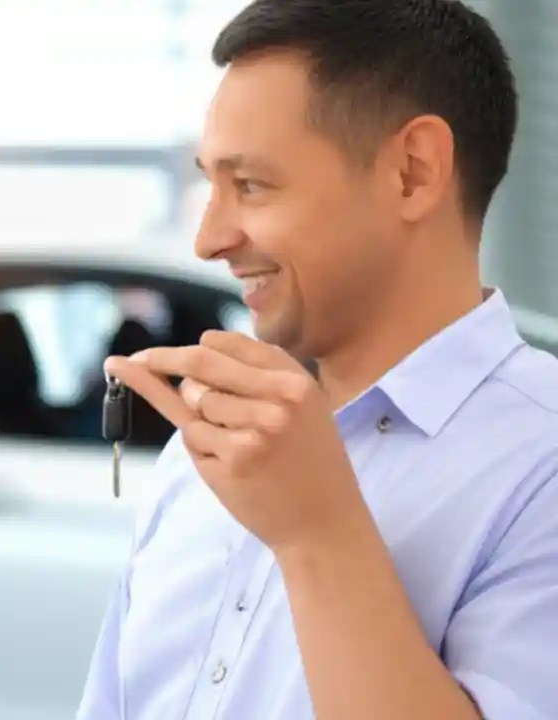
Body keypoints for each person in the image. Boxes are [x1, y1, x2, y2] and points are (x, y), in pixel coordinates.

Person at [80, 1, 558, 718]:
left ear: (412, 172)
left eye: (250, 185)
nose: (208, 239)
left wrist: (316, 536)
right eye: (209, 184)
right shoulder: (199, 457)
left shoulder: (541, 465)